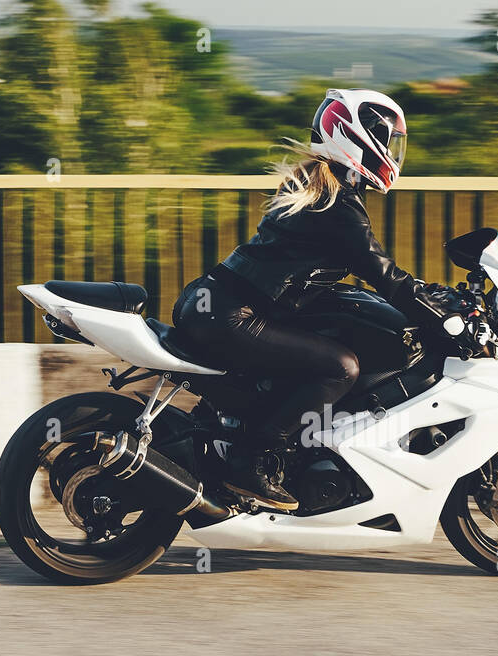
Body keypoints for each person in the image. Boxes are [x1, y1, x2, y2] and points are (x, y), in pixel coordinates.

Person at [172, 88, 446, 511]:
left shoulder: (319, 187)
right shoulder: (336, 206)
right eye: (387, 140)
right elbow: (383, 275)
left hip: (213, 304)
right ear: (358, 136)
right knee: (340, 367)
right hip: (230, 317)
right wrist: (442, 316)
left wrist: (428, 292)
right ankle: (255, 459)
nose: (391, 152)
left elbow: (368, 272)